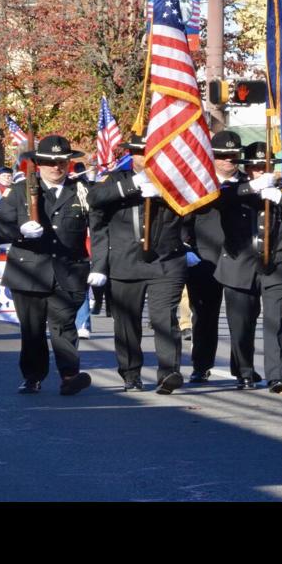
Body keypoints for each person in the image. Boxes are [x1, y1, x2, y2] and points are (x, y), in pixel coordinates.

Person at [86, 137, 190, 394]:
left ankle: (169, 373)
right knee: (126, 322)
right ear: (132, 155)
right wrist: (132, 186)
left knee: (164, 318)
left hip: (165, 261)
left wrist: (165, 194)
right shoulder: (116, 179)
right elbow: (94, 199)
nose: (147, 159)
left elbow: (196, 206)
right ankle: (131, 373)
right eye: (142, 153)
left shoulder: (175, 179)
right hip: (125, 262)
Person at [0, 135, 93, 396]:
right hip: (28, 270)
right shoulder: (20, 190)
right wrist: (20, 231)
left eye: (61, 162)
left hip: (68, 270)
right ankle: (32, 376)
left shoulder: (81, 192)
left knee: (65, 328)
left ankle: (69, 375)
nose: (56, 167)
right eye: (49, 162)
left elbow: (100, 225)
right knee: (32, 329)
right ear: (38, 164)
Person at [181, 130, 262, 386]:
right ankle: (201, 366)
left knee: (243, 318)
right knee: (204, 316)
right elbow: (186, 218)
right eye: (222, 155)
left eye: (233, 155)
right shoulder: (200, 183)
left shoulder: (252, 182)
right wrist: (187, 247)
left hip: (242, 259)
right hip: (206, 258)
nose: (228, 160)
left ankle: (243, 368)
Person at [237, 142, 282, 393]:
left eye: (263, 167)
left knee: (277, 322)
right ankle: (245, 372)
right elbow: (221, 201)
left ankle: (277, 375)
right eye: (254, 168)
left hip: (280, 263)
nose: (259, 172)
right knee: (242, 323)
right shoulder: (235, 188)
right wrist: (251, 188)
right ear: (246, 169)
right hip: (242, 264)